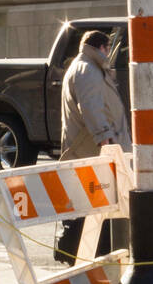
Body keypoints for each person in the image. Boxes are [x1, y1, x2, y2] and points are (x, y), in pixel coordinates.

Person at [54, 30, 131, 264]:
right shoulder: (88, 69)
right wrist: (105, 140)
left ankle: (86, 253)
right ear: (102, 47)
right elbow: (92, 108)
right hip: (93, 150)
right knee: (91, 208)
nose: (109, 53)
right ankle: (80, 253)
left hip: (91, 148)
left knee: (90, 208)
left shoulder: (86, 66)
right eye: (108, 48)